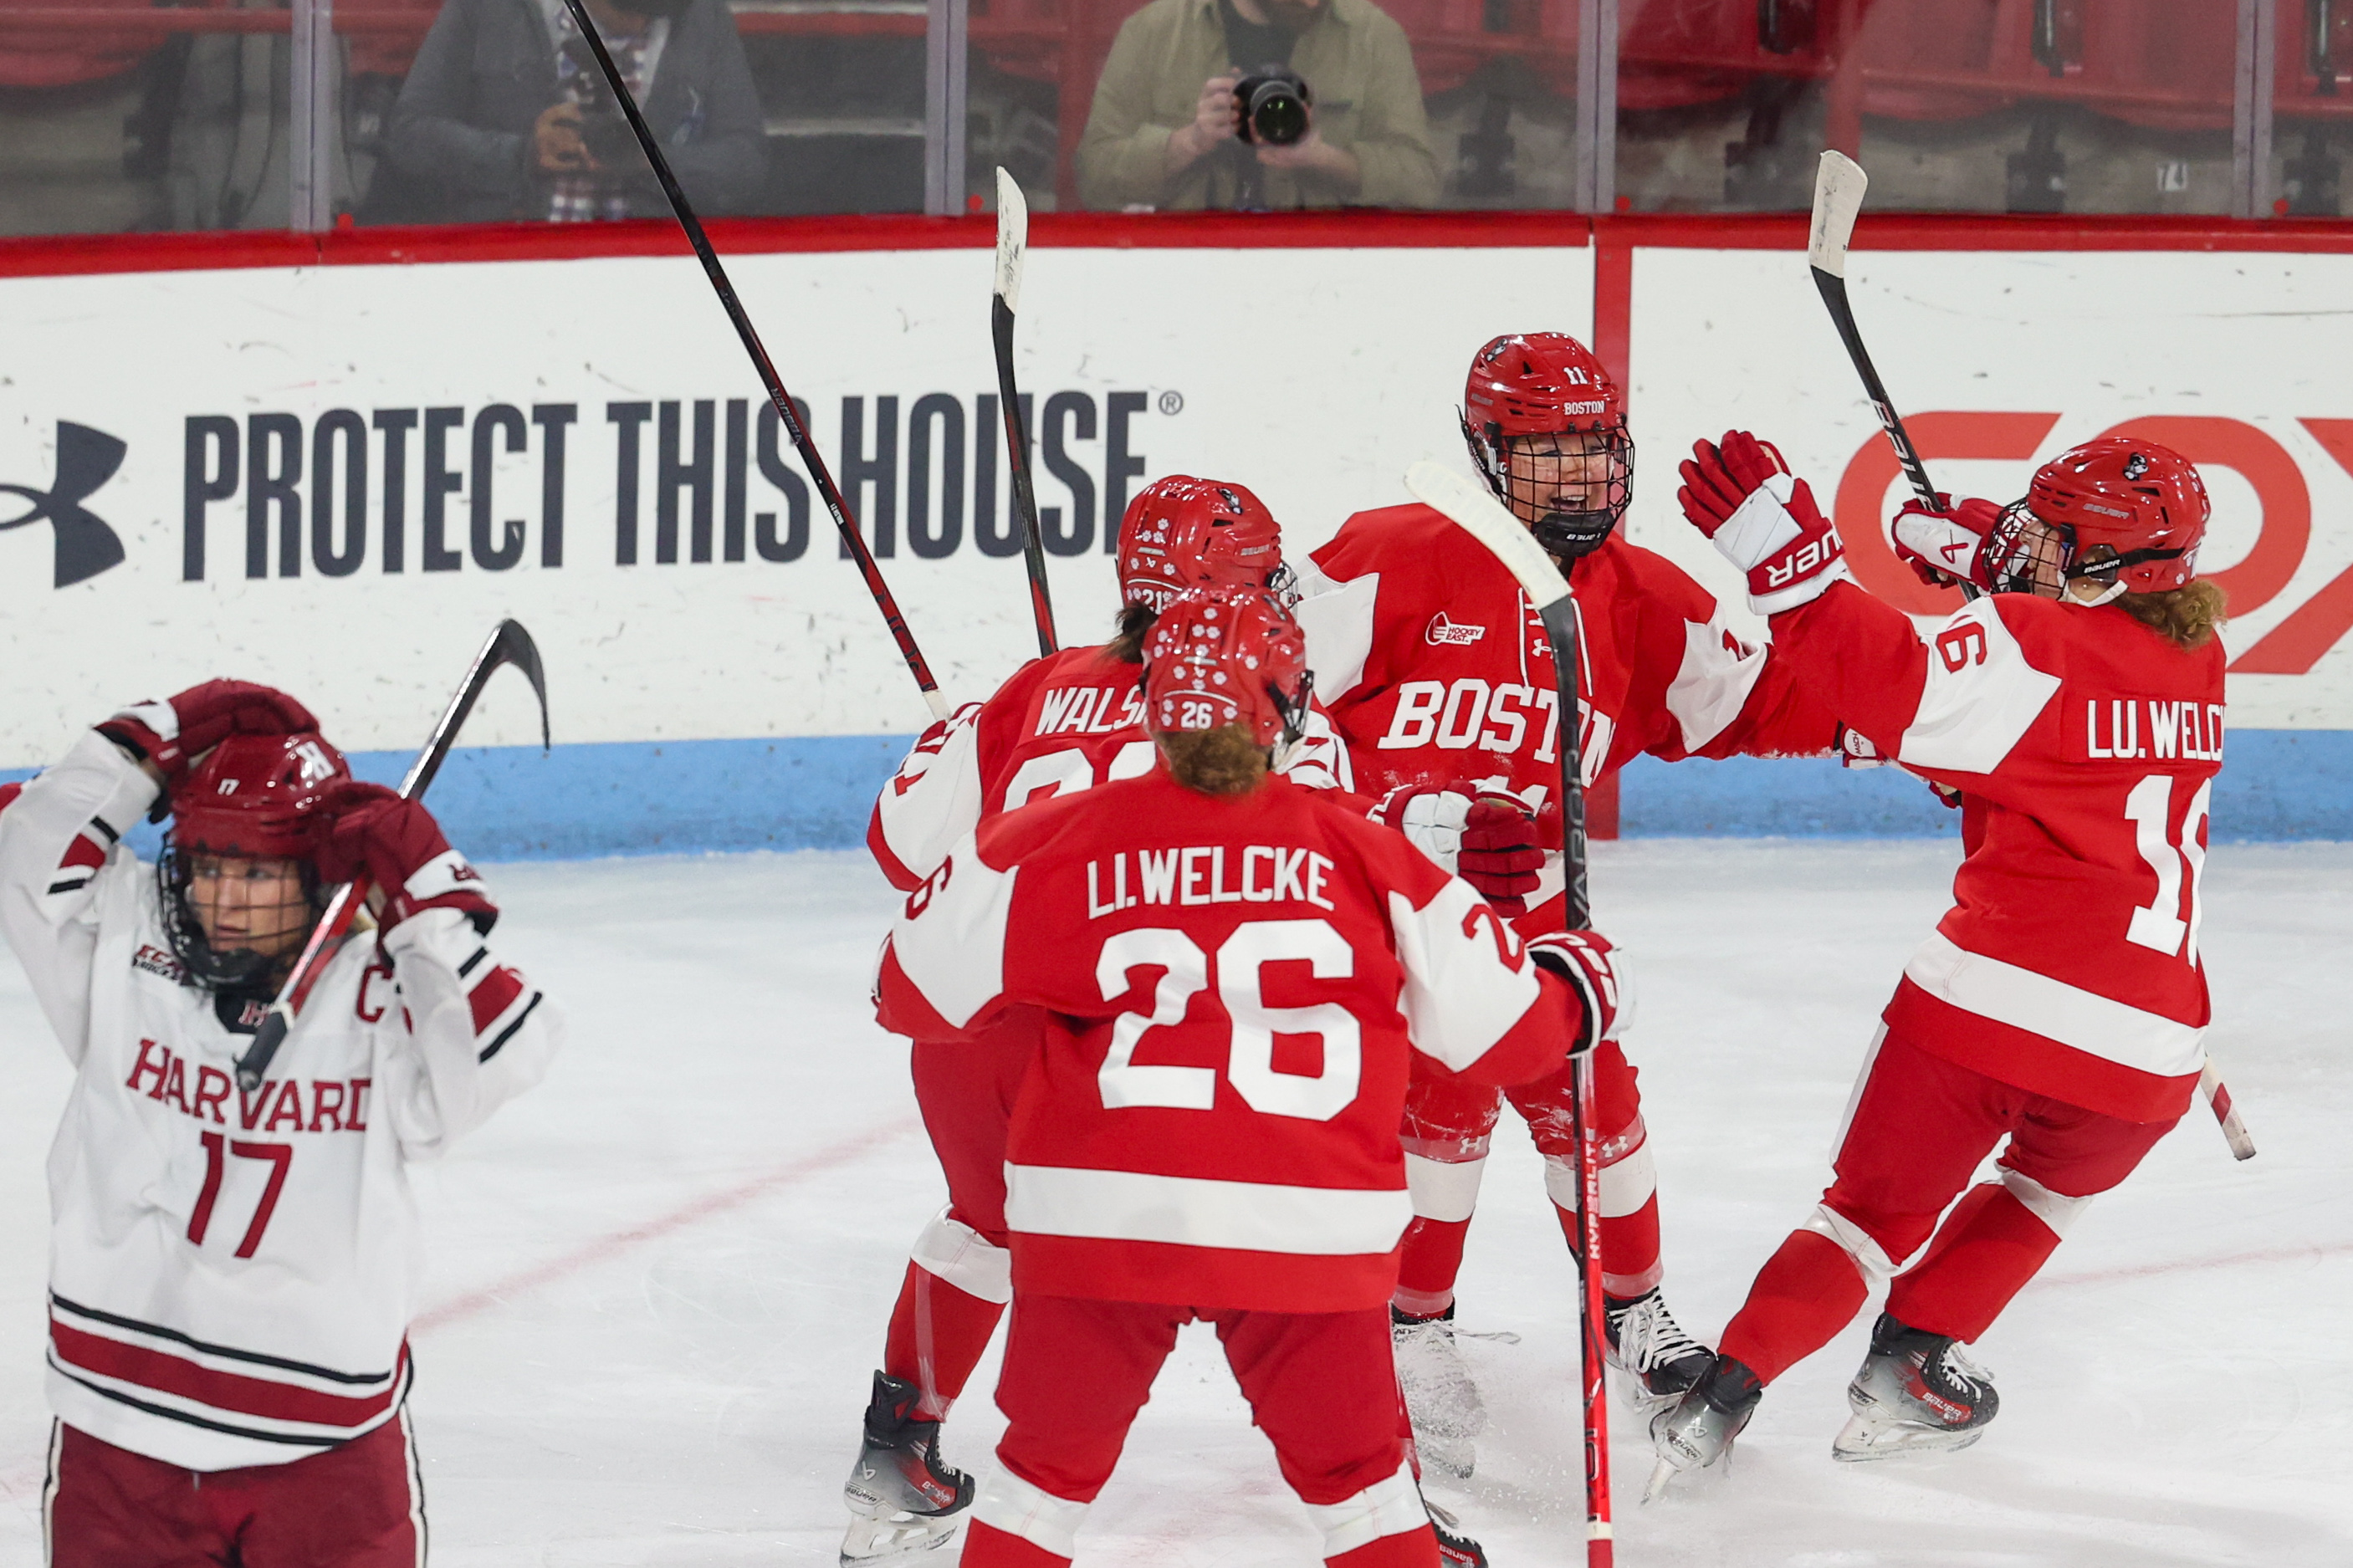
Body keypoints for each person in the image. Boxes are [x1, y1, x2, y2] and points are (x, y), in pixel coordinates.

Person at [871, 583, 1626, 1568]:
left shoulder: (1049, 845)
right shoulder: (1364, 853)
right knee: (1362, 1495)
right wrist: (1581, 980)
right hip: (1303, 1231)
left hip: (1099, 1222)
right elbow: (1523, 1040)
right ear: (1284, 707)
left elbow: (908, 997)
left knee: (1036, 1487)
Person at [1292, 331, 1844, 1477]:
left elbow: (1781, 697)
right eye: (1549, 454)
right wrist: (1398, 822)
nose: (1583, 478)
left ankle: (1631, 1307)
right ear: (1487, 456)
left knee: (1597, 1097)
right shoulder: (1385, 559)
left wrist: (1936, 715)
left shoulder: (1638, 597)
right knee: (1438, 1112)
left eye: (1598, 450)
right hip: (1385, 909)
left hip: (1535, 906)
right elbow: (1268, 704)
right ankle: (1414, 1319)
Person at [1646, 433, 2224, 1484]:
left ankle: (1717, 1399)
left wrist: (1798, 568)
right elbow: (2057, 677)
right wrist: (1985, 554)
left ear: (2094, 566)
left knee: (1863, 1219)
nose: (2027, 548)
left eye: (2050, 537)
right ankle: (1911, 1363)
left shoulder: (2021, 638)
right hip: (2146, 1051)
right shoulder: (2198, 652)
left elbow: (1894, 679)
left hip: (1984, 1006)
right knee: (2045, 1189)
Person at [846, 474, 1389, 1564]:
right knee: (1291, 1254)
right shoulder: (1261, 703)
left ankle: (894, 1448)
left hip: (967, 1021)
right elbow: (1318, 868)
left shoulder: (1036, 684)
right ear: (1213, 588)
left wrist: (1004, 728)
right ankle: (1381, 1497)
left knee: (979, 1218)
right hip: (1105, 1031)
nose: (1280, 596)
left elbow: (902, 843)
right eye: (1260, 578)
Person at [0, 680, 560, 1565]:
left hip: (324, 1443)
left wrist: (431, 905)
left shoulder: (376, 976)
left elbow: (501, 1055)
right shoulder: (125, 932)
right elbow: (21, 846)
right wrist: (156, 739)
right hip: (119, 1421)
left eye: (256, 870)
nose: (223, 898)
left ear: (315, 870)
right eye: (208, 864)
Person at [376, 0, 765, 223]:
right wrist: (523, 155)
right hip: (507, 264)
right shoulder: (487, 8)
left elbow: (747, 164)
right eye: (626, 10)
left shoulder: (701, 16)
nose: (642, 24)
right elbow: (410, 135)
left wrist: (652, 161)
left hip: (649, 270)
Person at [1075, 0, 1439, 212]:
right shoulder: (1153, 31)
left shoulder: (1372, 36)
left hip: (1325, 274)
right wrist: (1189, 142)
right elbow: (1093, 181)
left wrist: (1323, 158)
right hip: (1186, 270)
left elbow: (1421, 183)